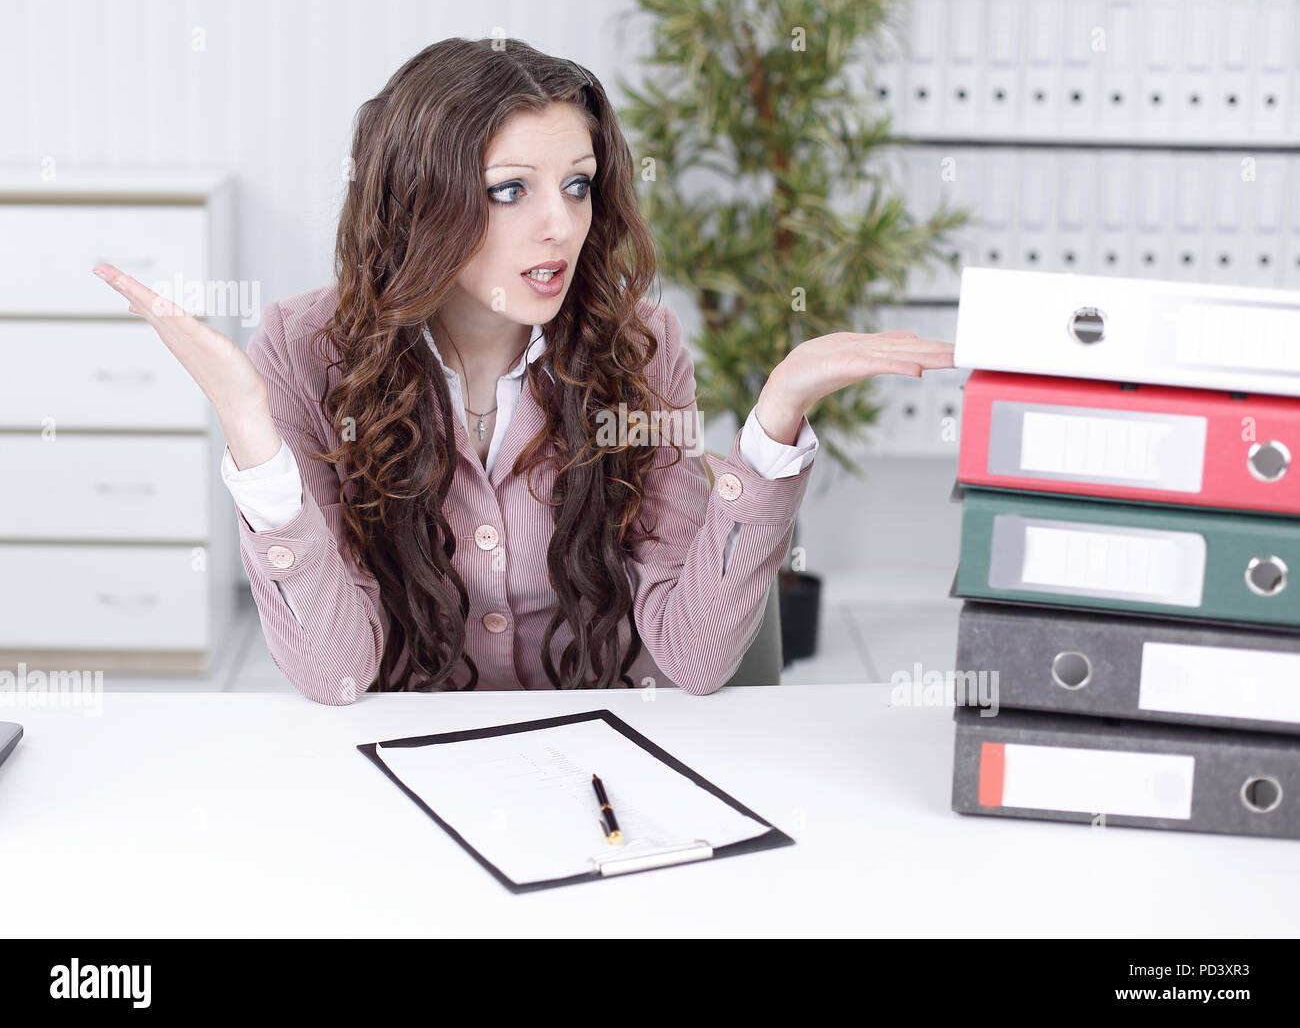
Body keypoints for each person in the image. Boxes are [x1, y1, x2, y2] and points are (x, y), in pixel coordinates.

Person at [92, 37, 954, 705]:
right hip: (404, 789)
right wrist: (251, 429)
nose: (561, 226)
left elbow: (692, 660)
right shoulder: (303, 346)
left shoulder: (642, 346)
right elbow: (335, 676)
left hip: (600, 772)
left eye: (577, 186)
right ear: (419, 197)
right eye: (512, 190)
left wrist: (774, 424)